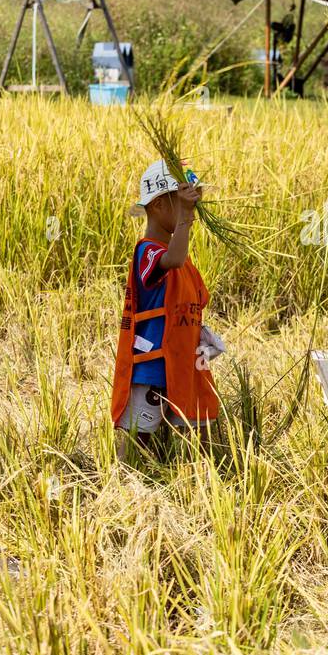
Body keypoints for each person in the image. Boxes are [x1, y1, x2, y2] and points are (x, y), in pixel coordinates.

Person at [110, 160, 224, 461]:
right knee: (138, 439)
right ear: (160, 205)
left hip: (183, 366)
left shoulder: (185, 263)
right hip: (151, 368)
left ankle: (188, 487)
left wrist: (202, 335)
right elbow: (171, 259)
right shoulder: (147, 251)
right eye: (182, 204)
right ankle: (121, 486)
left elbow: (189, 303)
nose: (190, 213)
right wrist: (186, 216)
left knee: (196, 433)